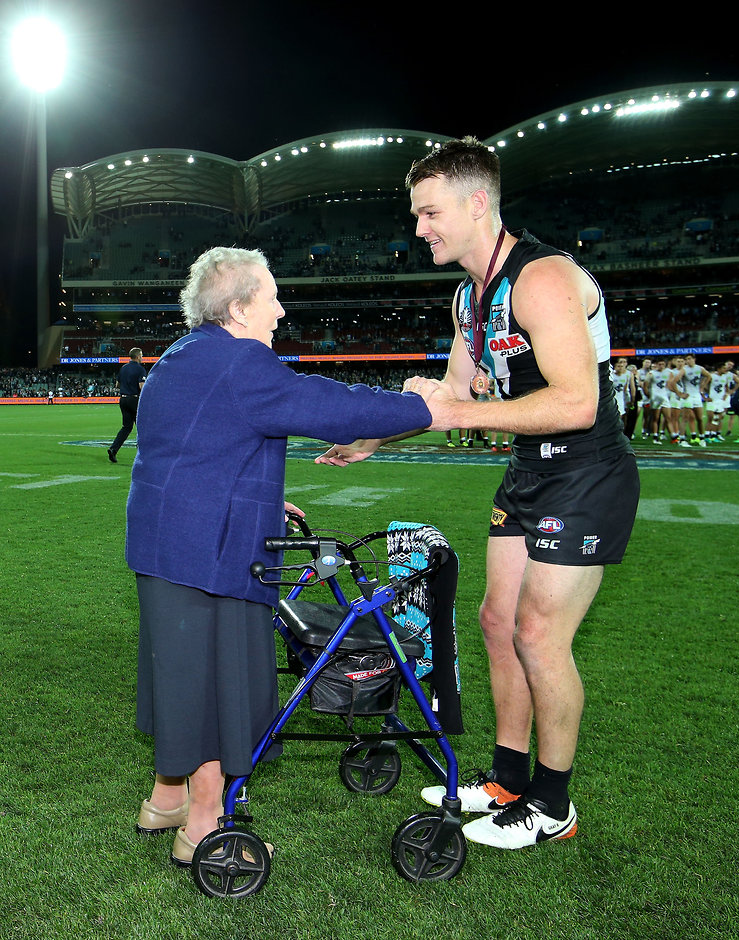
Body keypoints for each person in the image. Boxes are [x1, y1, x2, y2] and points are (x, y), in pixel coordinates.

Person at [316, 137, 640, 850]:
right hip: (531, 471)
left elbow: (579, 401)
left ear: (476, 203)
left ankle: (552, 806)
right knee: (498, 623)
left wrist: (459, 412)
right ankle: (506, 781)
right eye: (416, 215)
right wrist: (378, 438)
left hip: (587, 470)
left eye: (429, 213)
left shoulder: (543, 277)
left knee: (538, 636)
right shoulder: (470, 296)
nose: (420, 228)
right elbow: (453, 396)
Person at [126, 246, 442, 867]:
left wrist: (266, 501)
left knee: (181, 673)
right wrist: (431, 408)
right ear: (240, 307)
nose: (280, 308)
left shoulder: (181, 355)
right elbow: (335, 407)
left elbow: (197, 448)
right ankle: (203, 823)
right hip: (211, 556)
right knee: (220, 684)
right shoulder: (244, 361)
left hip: (169, 542)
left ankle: (166, 798)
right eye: (270, 295)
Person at [108, 348, 146, 462]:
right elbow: (141, 387)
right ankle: (142, 453)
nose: (142, 357)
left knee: (126, 427)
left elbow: (117, 384)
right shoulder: (140, 369)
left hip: (123, 399)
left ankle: (113, 449)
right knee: (141, 427)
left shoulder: (123, 368)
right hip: (134, 399)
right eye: (142, 355)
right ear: (138, 356)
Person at [668, 353, 711, 447]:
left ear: (694, 359)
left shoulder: (699, 368)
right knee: (685, 418)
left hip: (697, 396)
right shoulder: (684, 370)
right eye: (686, 359)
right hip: (687, 396)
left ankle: (702, 438)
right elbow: (673, 382)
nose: (688, 361)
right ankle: (682, 439)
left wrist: (702, 387)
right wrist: (679, 393)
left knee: (699, 418)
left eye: (689, 359)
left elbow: (709, 376)